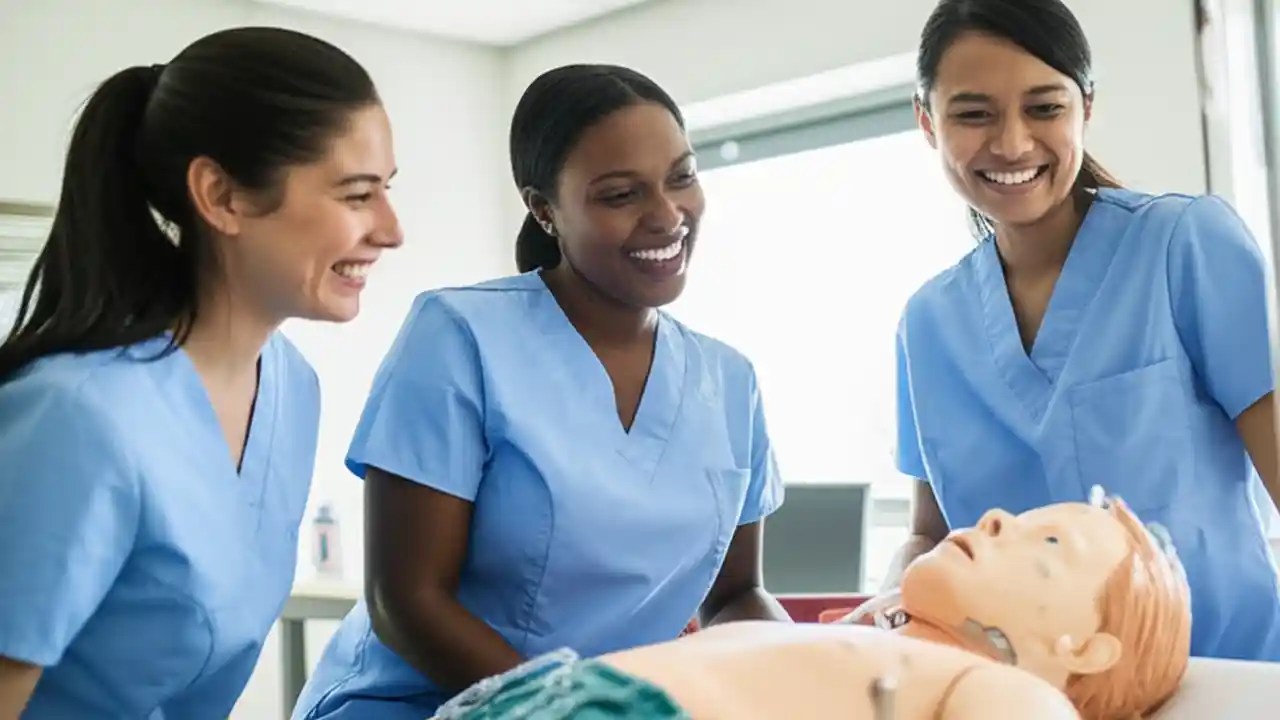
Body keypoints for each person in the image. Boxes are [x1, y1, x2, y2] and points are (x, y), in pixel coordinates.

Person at [292, 64, 788, 720]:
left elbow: (734, 595)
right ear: (544, 209)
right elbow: (406, 601)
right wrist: (575, 707)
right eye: (620, 195)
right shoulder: (459, 336)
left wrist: (804, 670)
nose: (667, 215)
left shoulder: (729, 382)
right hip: (420, 706)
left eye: (682, 176)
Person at [859, 0, 1280, 662]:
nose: (1012, 143)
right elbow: (929, 535)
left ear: (1085, 107)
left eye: (1044, 107)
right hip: (1032, 691)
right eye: (974, 113)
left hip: (1225, 677)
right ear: (927, 123)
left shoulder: (1184, 245)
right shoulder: (928, 324)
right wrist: (889, 601)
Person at [0, 27, 402, 719]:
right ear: (221, 195)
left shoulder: (291, 387)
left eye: (386, 191)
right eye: (357, 195)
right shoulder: (78, 415)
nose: (392, 229)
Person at [430, 492, 1189, 720]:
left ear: (1085, 650)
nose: (996, 519)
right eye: (1022, 515)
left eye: (1048, 544)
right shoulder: (893, 653)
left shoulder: (1019, 696)